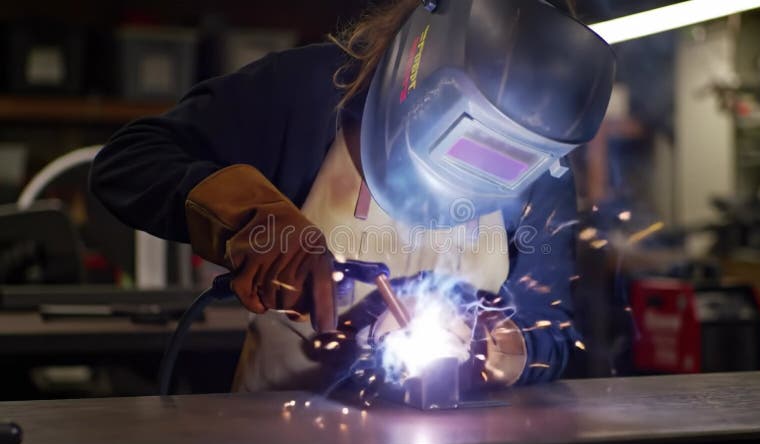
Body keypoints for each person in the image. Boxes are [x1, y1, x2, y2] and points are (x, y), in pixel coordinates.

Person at [90, 0, 614, 392]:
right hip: (278, 435)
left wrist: (503, 347)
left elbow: (556, 326)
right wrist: (253, 223)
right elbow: (129, 160)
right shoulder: (308, 92)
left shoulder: (542, 168)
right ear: (425, 73)